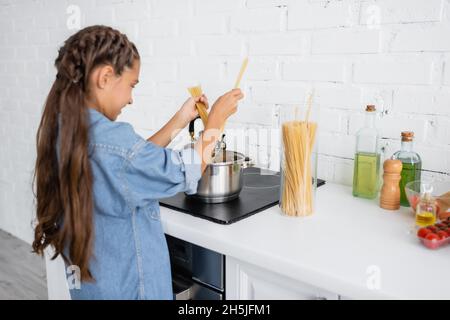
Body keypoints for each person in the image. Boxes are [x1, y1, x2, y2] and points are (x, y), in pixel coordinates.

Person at [31, 25, 243, 299]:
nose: (131, 99)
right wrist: (216, 122)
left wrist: (179, 120)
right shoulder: (111, 140)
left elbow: (132, 163)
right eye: (131, 85)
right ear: (106, 77)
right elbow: (184, 169)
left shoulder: (65, 129)